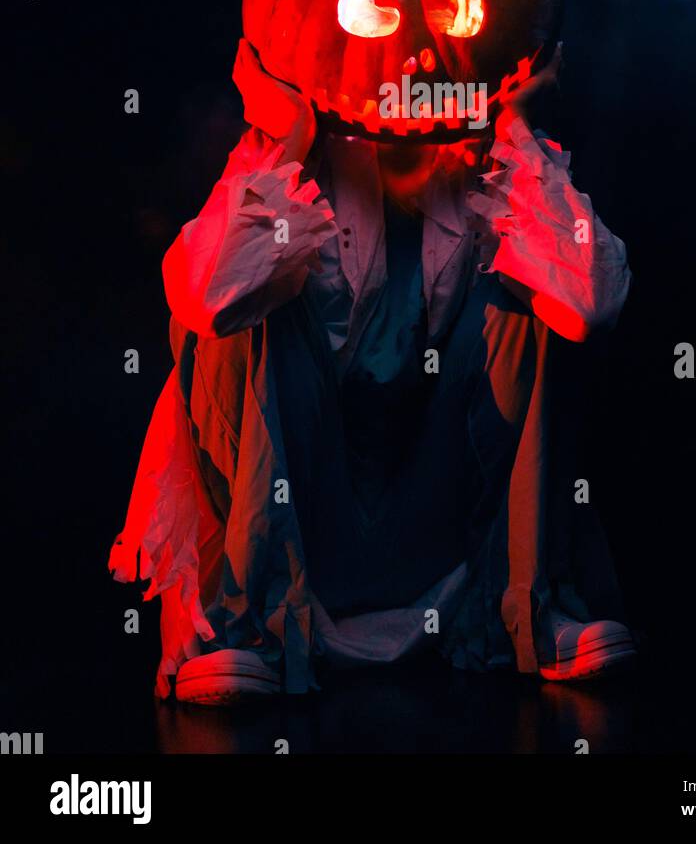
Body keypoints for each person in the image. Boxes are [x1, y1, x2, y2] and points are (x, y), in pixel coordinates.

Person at [110, 35, 634, 705]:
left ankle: (532, 604)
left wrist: (516, 130)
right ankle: (245, 628)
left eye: (435, 26)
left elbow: (591, 303)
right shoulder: (293, 158)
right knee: (246, 305)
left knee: (531, 294)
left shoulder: (483, 165)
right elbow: (208, 299)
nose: (410, 57)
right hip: (304, 516)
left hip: (437, 519)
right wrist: (292, 139)